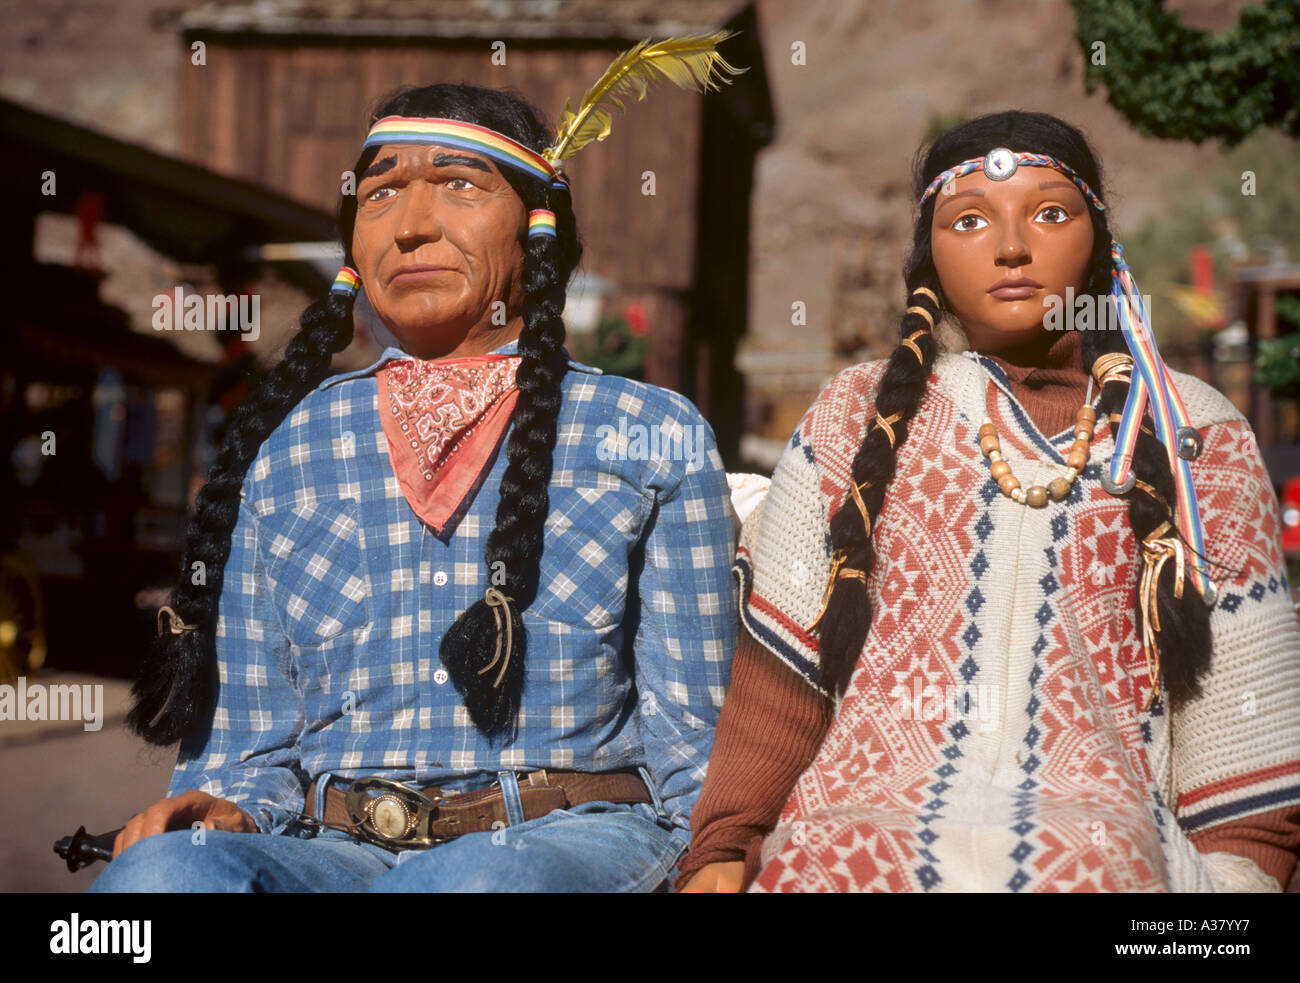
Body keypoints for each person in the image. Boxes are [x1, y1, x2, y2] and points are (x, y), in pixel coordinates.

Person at [90, 35, 745, 893]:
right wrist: (220, 809)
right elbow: (248, 752)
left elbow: (698, 736)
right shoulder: (286, 447)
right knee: (154, 884)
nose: (411, 224)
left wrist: (722, 857)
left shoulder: (647, 431)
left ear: (538, 231)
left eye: (459, 187)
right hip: (331, 850)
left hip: (564, 840)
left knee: (471, 883)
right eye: (382, 193)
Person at [678, 110, 1300, 893]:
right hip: (850, 845)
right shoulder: (851, 417)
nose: (1011, 247)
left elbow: (1244, 719)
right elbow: (781, 681)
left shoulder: (1192, 430)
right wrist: (723, 855)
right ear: (929, 258)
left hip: (1101, 857)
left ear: (1100, 242)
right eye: (968, 220)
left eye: (1049, 213)